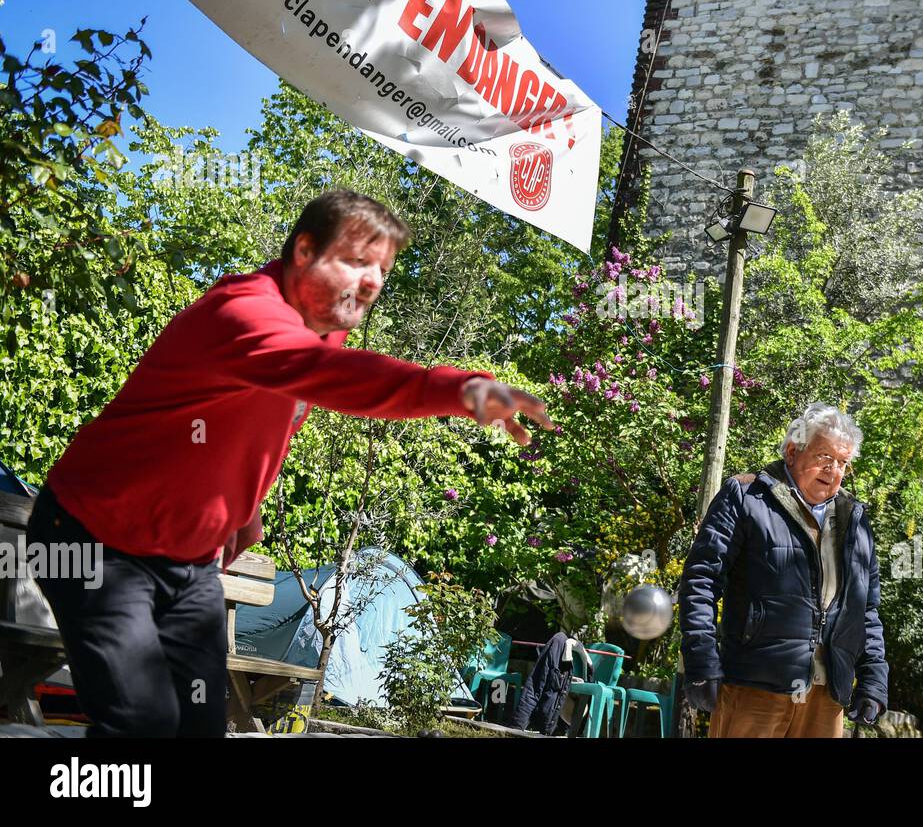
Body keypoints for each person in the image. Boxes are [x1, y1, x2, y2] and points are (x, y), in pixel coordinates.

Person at [27, 188, 551, 737]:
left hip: (188, 564)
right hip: (92, 540)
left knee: (199, 725)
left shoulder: (321, 329)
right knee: (143, 722)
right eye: (356, 261)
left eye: (382, 269)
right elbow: (343, 379)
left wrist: (243, 510)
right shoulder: (244, 314)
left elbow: (261, 426)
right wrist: (458, 388)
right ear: (304, 251)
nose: (372, 281)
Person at [679, 402, 888, 738]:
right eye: (824, 457)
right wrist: (701, 660)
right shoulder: (747, 496)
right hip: (755, 686)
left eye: (842, 463)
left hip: (826, 694)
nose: (833, 470)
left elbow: (866, 611)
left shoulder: (854, 519)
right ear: (792, 451)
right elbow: (701, 580)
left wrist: (874, 678)